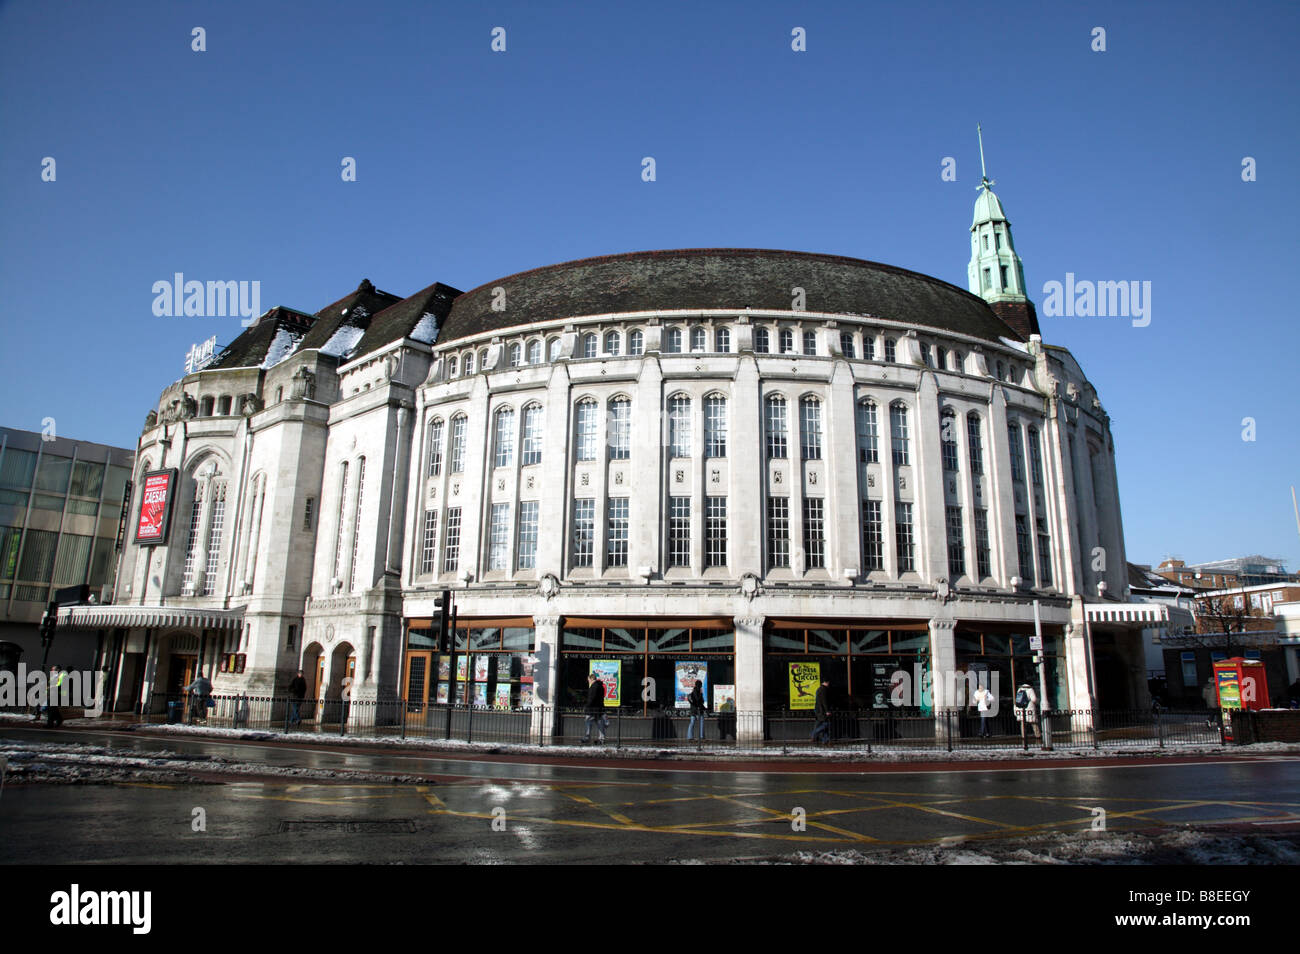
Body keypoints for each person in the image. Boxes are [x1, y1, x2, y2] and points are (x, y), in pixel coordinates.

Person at [582, 672, 607, 743]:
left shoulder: (594, 686)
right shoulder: (600, 686)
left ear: (591, 679)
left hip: (592, 709)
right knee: (599, 723)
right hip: (598, 708)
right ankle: (601, 738)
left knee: (588, 721)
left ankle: (587, 737)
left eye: (588, 679)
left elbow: (592, 698)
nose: (588, 681)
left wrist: (587, 706)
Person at [810, 677, 832, 744]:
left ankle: (825, 740)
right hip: (821, 711)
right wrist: (827, 711)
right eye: (828, 682)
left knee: (823, 725)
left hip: (819, 710)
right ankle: (814, 734)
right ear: (826, 682)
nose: (829, 684)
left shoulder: (820, 689)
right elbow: (824, 701)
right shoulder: (823, 690)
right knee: (826, 724)